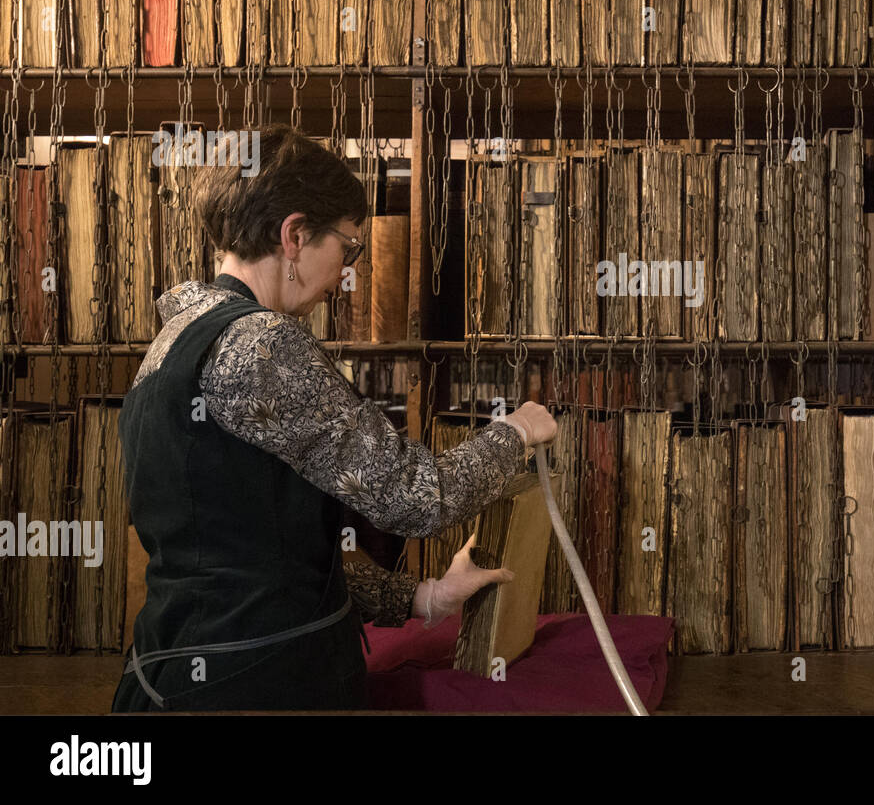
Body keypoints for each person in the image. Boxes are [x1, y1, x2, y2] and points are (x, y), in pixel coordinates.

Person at [111, 124, 556, 712]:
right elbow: (416, 497)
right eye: (349, 248)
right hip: (263, 687)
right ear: (294, 235)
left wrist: (424, 597)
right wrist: (515, 432)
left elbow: (256, 552)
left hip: (170, 678)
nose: (346, 277)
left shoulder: (172, 341)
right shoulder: (261, 346)